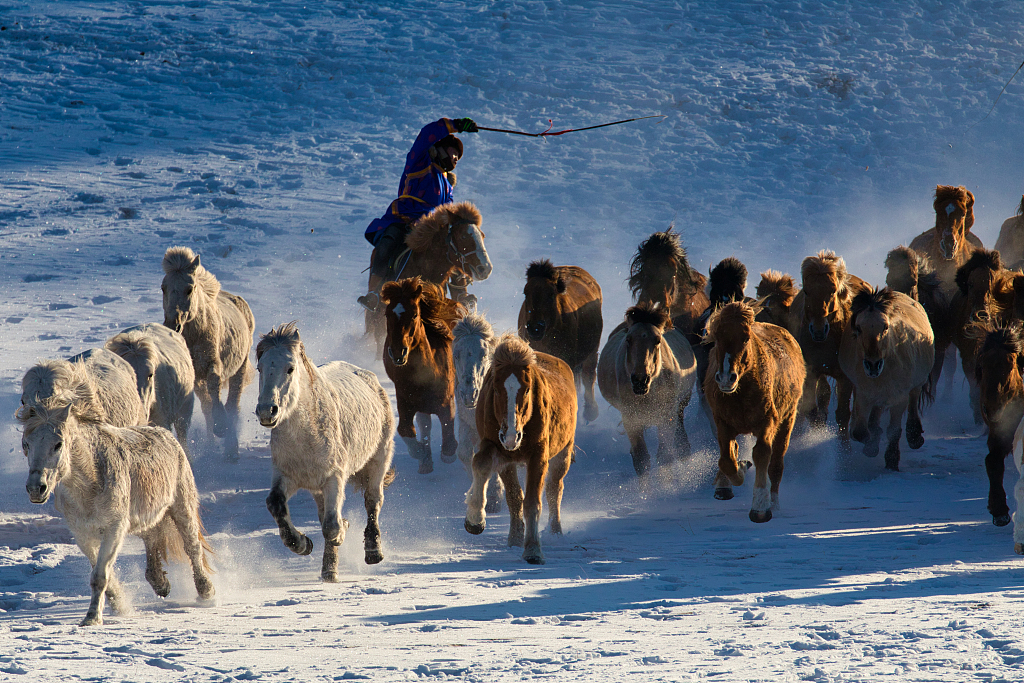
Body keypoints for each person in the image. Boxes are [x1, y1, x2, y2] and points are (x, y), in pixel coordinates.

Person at [357, 116, 479, 312]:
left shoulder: (448, 186)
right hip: (405, 221)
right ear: (439, 148)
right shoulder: (420, 164)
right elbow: (425, 135)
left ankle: (460, 295)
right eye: (452, 152)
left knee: (453, 250)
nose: (455, 158)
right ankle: (374, 293)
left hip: (432, 231)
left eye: (458, 157)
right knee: (387, 243)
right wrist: (455, 126)